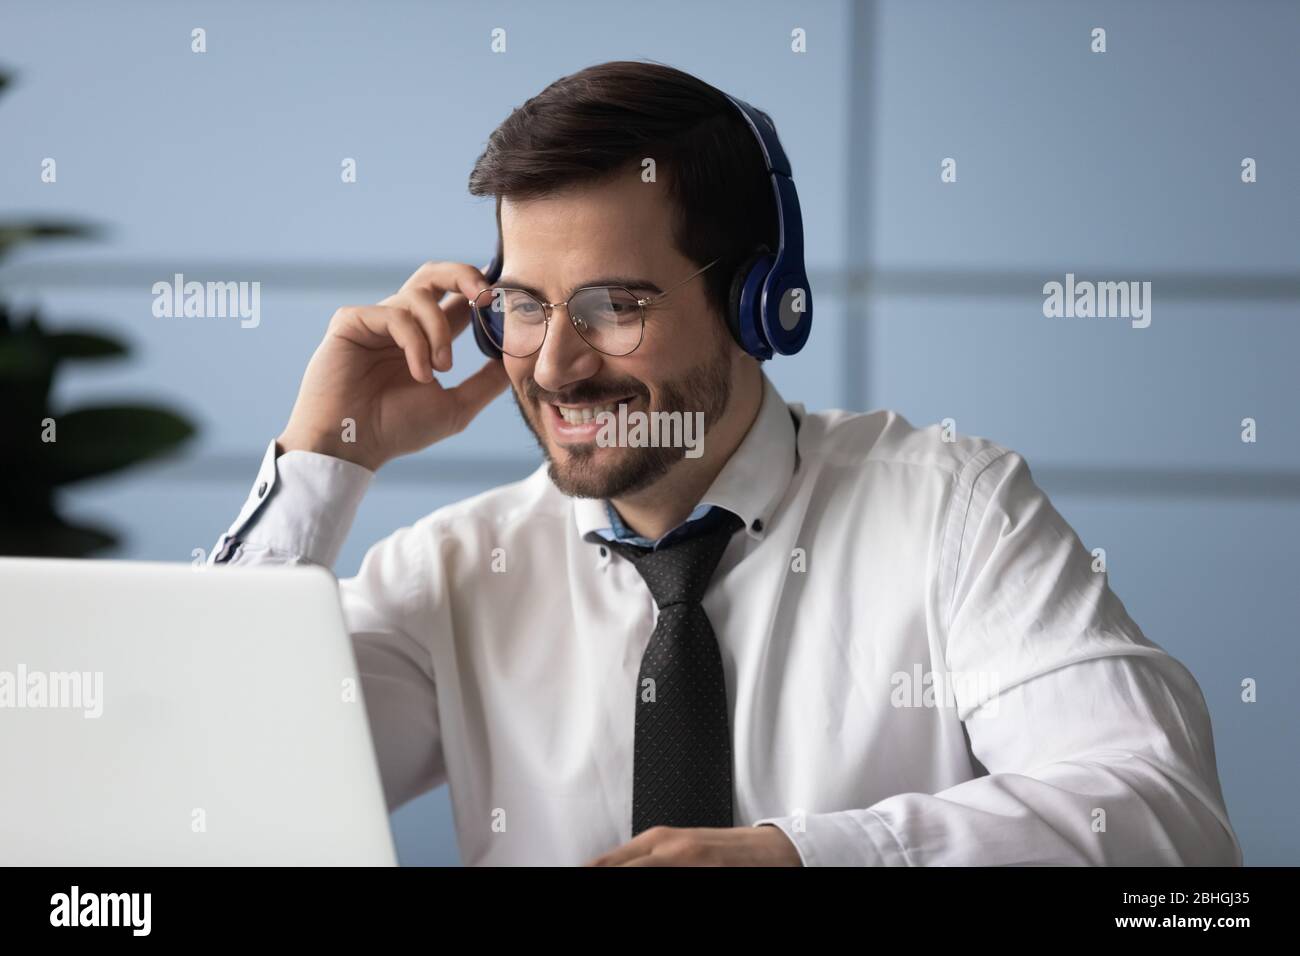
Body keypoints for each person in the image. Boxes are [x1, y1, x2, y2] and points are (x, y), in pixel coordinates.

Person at [209, 60, 1241, 867]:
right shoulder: (449, 571)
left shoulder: (950, 511)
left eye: (617, 305)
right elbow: (204, 799)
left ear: (762, 302)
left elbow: (1162, 816)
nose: (558, 365)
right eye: (524, 306)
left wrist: (806, 856)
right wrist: (322, 459)